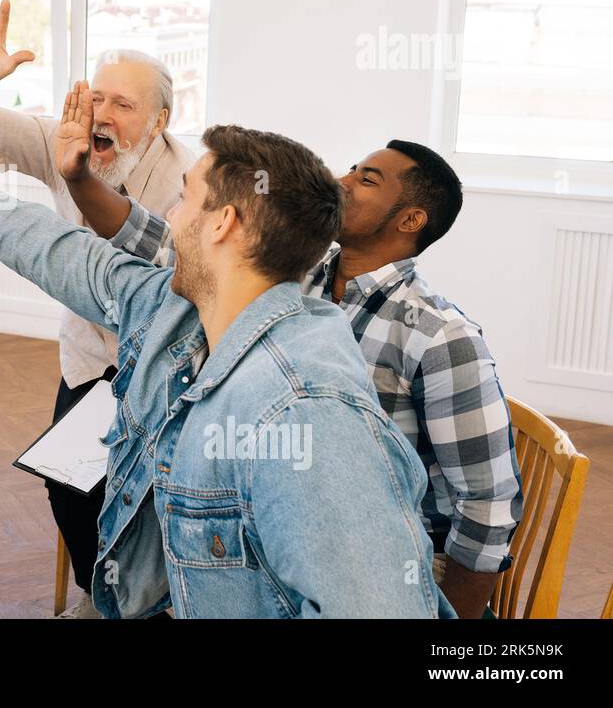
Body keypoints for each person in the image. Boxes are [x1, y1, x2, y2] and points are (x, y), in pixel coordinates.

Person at [0, 62, 453, 618]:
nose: (170, 214)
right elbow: (60, 249)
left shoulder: (309, 413)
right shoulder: (175, 308)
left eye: (186, 198)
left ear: (222, 224)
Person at [75, 121, 522, 617]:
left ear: (411, 219)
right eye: (351, 168)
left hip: (385, 564)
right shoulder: (294, 271)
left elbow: (486, 504)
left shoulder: (440, 337)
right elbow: (167, 241)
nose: (341, 181)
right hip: (271, 518)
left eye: (367, 180)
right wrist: (79, 179)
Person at [0, 0, 192, 617]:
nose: (102, 114)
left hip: (167, 369)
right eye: (97, 97)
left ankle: (156, 597)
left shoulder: (192, 182)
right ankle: (98, 593)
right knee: (69, 488)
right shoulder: (65, 139)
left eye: (124, 104)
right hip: (88, 359)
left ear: (160, 121)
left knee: (157, 497)